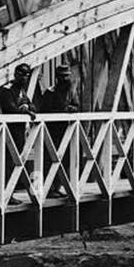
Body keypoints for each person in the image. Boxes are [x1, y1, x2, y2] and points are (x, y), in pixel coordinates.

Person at [0, 63, 36, 203]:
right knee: (8, 163)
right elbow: (10, 108)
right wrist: (25, 109)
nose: (24, 78)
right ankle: (5, 194)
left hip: (19, 132)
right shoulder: (7, 90)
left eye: (27, 75)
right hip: (8, 132)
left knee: (16, 163)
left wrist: (27, 107)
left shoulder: (21, 90)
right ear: (16, 74)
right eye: (22, 75)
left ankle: (9, 193)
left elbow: (32, 105)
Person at [38, 63, 80, 198]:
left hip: (65, 131)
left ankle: (57, 186)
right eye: (62, 77)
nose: (65, 79)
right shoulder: (50, 92)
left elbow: (77, 105)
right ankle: (49, 189)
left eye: (67, 76)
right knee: (50, 160)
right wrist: (62, 111)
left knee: (64, 160)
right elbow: (44, 111)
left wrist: (73, 108)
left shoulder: (71, 91)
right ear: (57, 77)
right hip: (52, 131)